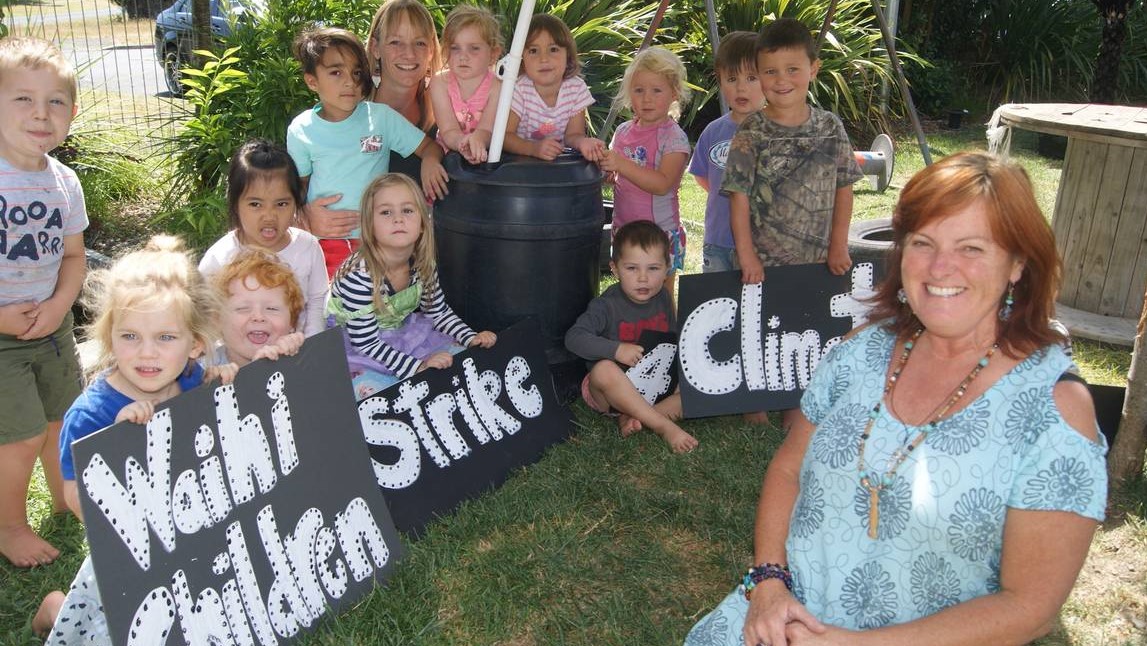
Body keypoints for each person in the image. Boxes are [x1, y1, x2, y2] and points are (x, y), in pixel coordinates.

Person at [684, 152, 1108, 646]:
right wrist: (768, 583)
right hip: (781, 617)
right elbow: (788, 469)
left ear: (1017, 264)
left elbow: (1029, 608)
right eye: (923, 243)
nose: (940, 267)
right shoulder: (859, 352)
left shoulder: (1053, 411)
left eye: (971, 247)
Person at [34, 235, 235, 643]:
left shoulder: (193, 380)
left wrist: (221, 387)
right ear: (109, 336)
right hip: (128, 557)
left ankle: (60, 608)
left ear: (195, 345)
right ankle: (54, 610)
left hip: (187, 538)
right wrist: (117, 443)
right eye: (130, 337)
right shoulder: (92, 415)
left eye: (165, 338)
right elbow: (76, 498)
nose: (147, 354)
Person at [0, 36, 86, 568]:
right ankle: (9, 526)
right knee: (22, 435)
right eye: (23, 99)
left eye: (56, 101)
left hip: (53, 333)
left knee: (62, 422)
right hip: (2, 340)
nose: (41, 113)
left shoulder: (64, 182)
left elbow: (73, 256)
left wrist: (59, 306)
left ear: (72, 114)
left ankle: (64, 499)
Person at [287, 26, 447, 278]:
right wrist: (303, 215)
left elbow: (430, 147)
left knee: (378, 310)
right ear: (312, 81)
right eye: (336, 72)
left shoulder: (380, 118)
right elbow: (297, 188)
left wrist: (430, 160)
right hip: (325, 243)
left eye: (356, 72)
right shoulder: (301, 129)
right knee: (328, 311)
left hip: (377, 243)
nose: (349, 81)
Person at [328, 173, 496, 399]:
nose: (398, 219)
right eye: (386, 212)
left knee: (459, 360)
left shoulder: (421, 263)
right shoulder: (360, 275)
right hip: (354, 344)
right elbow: (365, 343)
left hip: (395, 331)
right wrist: (417, 367)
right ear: (369, 223)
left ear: (422, 222)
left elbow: (438, 312)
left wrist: (470, 337)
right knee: (373, 392)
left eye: (407, 210)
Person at [725, 17, 862, 285]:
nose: (781, 80)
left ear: (813, 69)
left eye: (792, 69)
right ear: (759, 72)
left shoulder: (830, 126)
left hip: (820, 264)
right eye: (770, 71)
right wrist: (746, 255)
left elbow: (844, 188)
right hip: (761, 269)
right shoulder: (751, 131)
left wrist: (839, 244)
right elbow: (737, 197)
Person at [565, 220, 698, 454]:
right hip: (611, 392)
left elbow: (673, 339)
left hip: (656, 385)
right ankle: (662, 425)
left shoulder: (664, 299)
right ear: (615, 269)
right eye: (632, 268)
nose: (643, 278)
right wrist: (616, 349)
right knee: (603, 370)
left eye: (653, 268)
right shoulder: (606, 305)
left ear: (667, 268)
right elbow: (574, 338)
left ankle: (634, 417)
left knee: (695, 389)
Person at [198, 139, 327, 336]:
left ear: (296, 203)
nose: (269, 216)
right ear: (235, 204)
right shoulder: (221, 257)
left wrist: (311, 346)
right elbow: (203, 316)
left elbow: (317, 301)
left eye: (281, 204)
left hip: (296, 355)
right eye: (256, 205)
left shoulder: (307, 246)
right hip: (237, 361)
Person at [600, 46, 692, 302]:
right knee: (629, 296)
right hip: (625, 230)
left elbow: (663, 184)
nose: (647, 98)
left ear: (673, 93)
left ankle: (666, 339)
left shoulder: (674, 137)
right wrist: (609, 172)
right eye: (639, 90)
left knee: (661, 299)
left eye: (656, 90)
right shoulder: (623, 132)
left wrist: (620, 164)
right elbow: (619, 174)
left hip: (659, 233)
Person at [688, 31, 764, 275]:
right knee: (718, 306)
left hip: (762, 244)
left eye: (752, 77)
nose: (741, 87)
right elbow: (701, 175)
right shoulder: (713, 131)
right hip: (718, 240)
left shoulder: (776, 131)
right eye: (731, 78)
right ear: (720, 81)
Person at [503, 14, 605, 162]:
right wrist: (534, 148)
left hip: (557, 165)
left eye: (553, 49)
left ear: (568, 55)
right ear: (521, 59)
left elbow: (573, 135)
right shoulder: (519, 89)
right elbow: (505, 136)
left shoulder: (575, 88)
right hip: (519, 163)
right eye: (533, 51)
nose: (543, 59)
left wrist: (583, 142)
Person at [428, 4, 503, 164]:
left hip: (485, 150)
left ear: (493, 54)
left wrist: (476, 141)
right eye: (455, 48)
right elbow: (448, 130)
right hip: (448, 152)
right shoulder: (440, 83)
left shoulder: (497, 87)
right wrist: (462, 144)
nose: (463, 56)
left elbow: (487, 129)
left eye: (474, 48)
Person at [212, 250, 307, 368]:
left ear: (292, 321)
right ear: (217, 320)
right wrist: (257, 372)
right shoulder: (201, 374)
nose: (258, 317)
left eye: (271, 309)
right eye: (243, 308)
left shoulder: (304, 364)